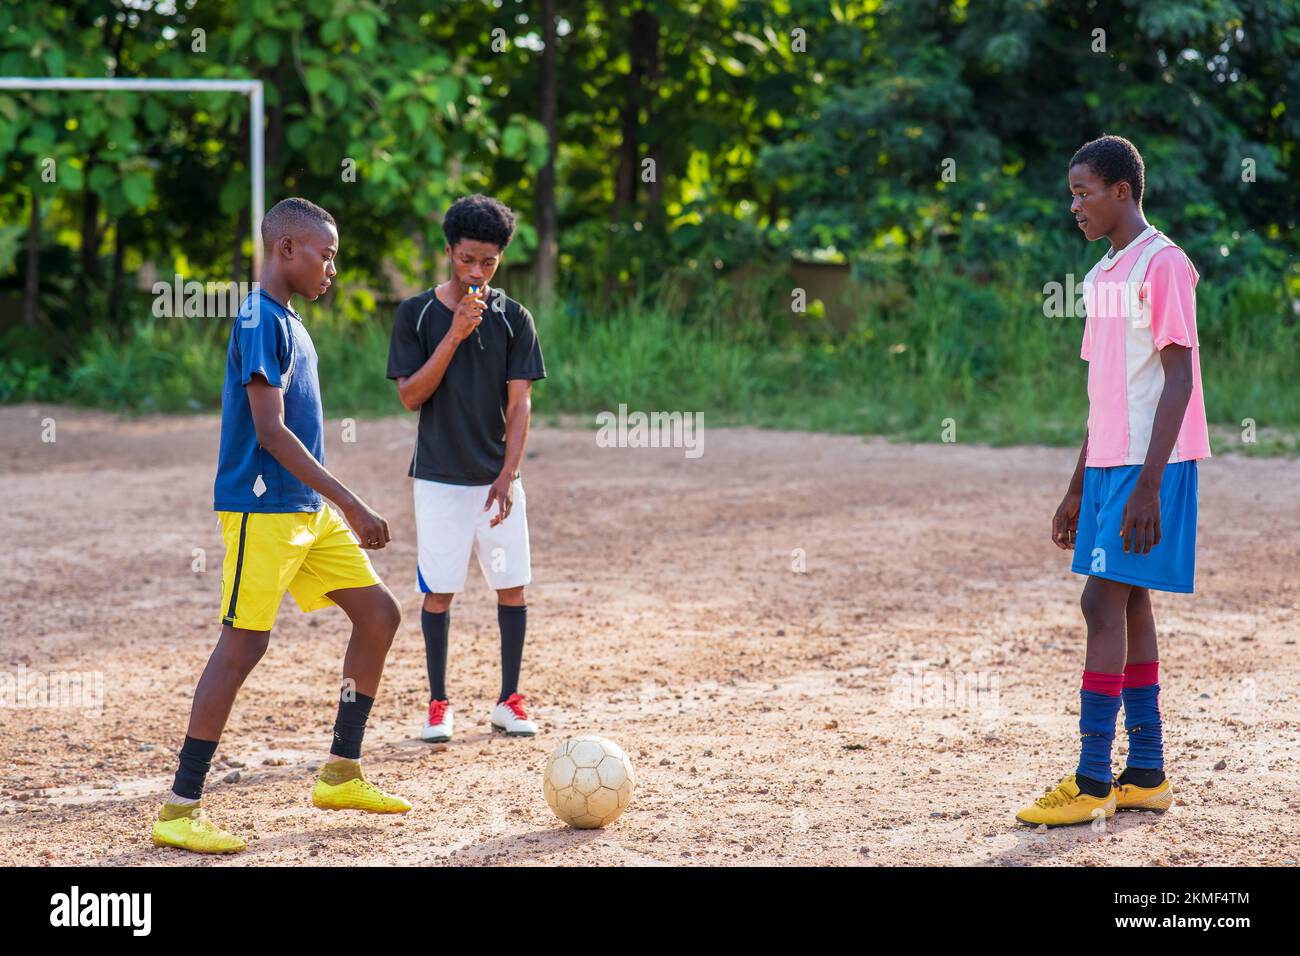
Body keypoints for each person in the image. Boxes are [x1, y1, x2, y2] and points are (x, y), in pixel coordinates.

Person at [152, 198, 410, 854]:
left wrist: (331, 504)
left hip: (306, 508)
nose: (332, 267)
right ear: (285, 250)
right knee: (244, 646)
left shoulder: (289, 319)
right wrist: (352, 501)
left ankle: (341, 771)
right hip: (262, 508)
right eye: (325, 254)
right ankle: (180, 808)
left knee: (378, 615)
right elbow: (269, 432)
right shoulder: (256, 317)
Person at [1018, 135, 1211, 827]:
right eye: (1072, 193)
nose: (1074, 206)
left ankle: (1093, 777)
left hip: (1149, 466)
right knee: (1128, 609)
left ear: (1121, 191)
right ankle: (1147, 773)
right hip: (1107, 464)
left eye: (1083, 192)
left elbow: (1180, 378)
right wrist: (1077, 486)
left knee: (1100, 606)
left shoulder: (1163, 266)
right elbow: (1105, 396)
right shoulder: (1101, 277)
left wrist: (1150, 485)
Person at [387, 194, 547, 744]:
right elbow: (411, 395)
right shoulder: (417, 315)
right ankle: (438, 703)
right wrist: (454, 334)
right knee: (440, 591)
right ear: (449, 250)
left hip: (497, 481)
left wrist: (509, 473)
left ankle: (508, 699)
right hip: (438, 479)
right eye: (467, 259)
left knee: (512, 586)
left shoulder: (514, 318)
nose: (477, 272)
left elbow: (520, 402)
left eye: (489, 262)